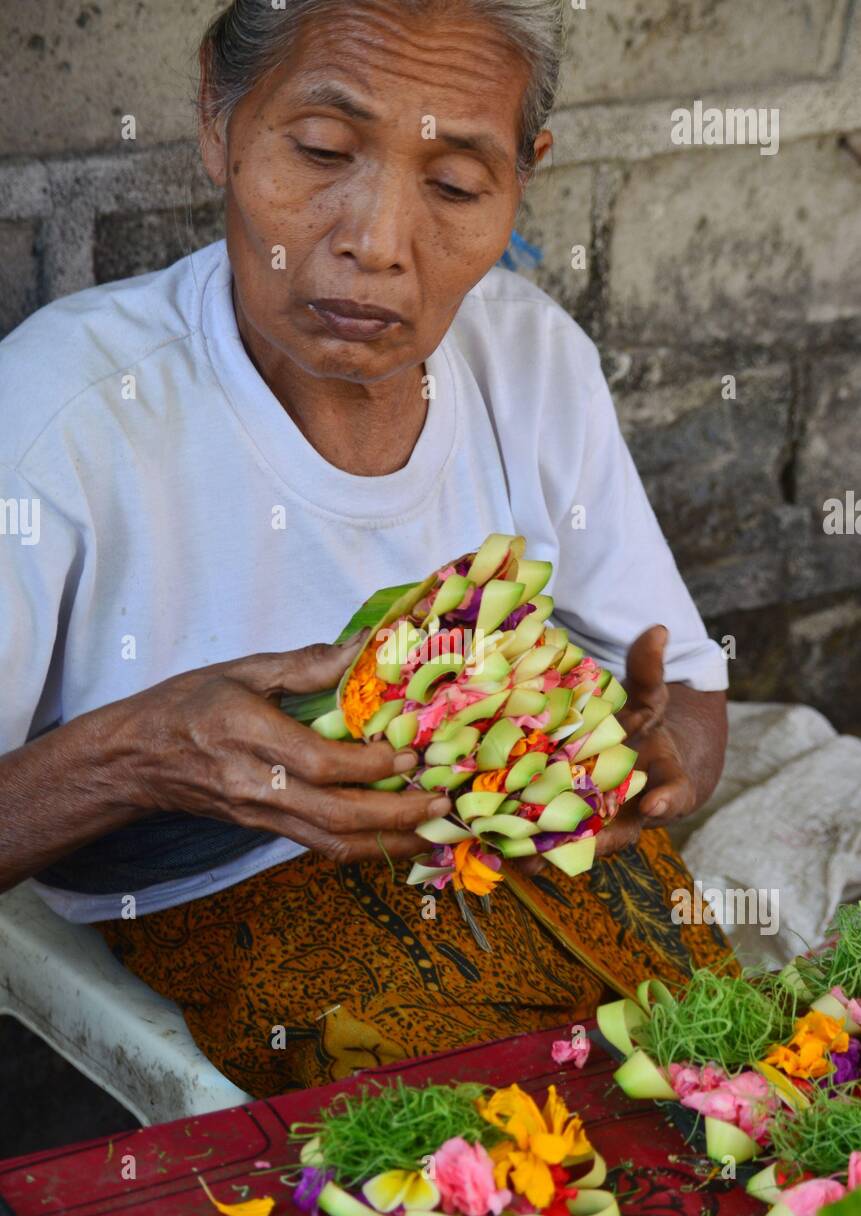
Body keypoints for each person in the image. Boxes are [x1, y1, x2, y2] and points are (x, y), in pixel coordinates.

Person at [0, 0, 731, 1096]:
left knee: (759, 1106)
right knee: (466, 1189)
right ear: (218, 113)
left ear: (525, 175)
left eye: (453, 186)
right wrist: (141, 752)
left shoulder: (527, 354)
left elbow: (691, 701)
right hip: (229, 915)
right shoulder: (66, 408)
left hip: (533, 874)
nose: (376, 243)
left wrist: (617, 766)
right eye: (323, 151)